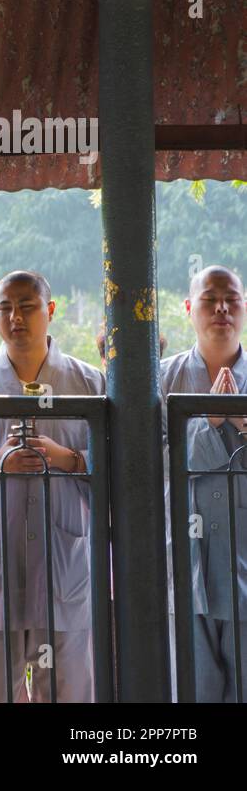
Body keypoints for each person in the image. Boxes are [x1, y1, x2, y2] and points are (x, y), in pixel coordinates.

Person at [0, 270, 102, 702]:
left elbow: (124, 460)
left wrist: (66, 458)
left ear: (50, 310)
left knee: (69, 689)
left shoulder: (88, 384)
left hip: (62, 561)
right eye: (4, 307)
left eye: (26, 306)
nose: (15, 317)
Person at [159, 264, 247, 701]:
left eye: (231, 298)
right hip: (184, 560)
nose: (221, 308)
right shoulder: (160, 379)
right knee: (191, 691)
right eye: (209, 299)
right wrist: (210, 421)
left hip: (243, 553)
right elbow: (145, 461)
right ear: (189, 308)